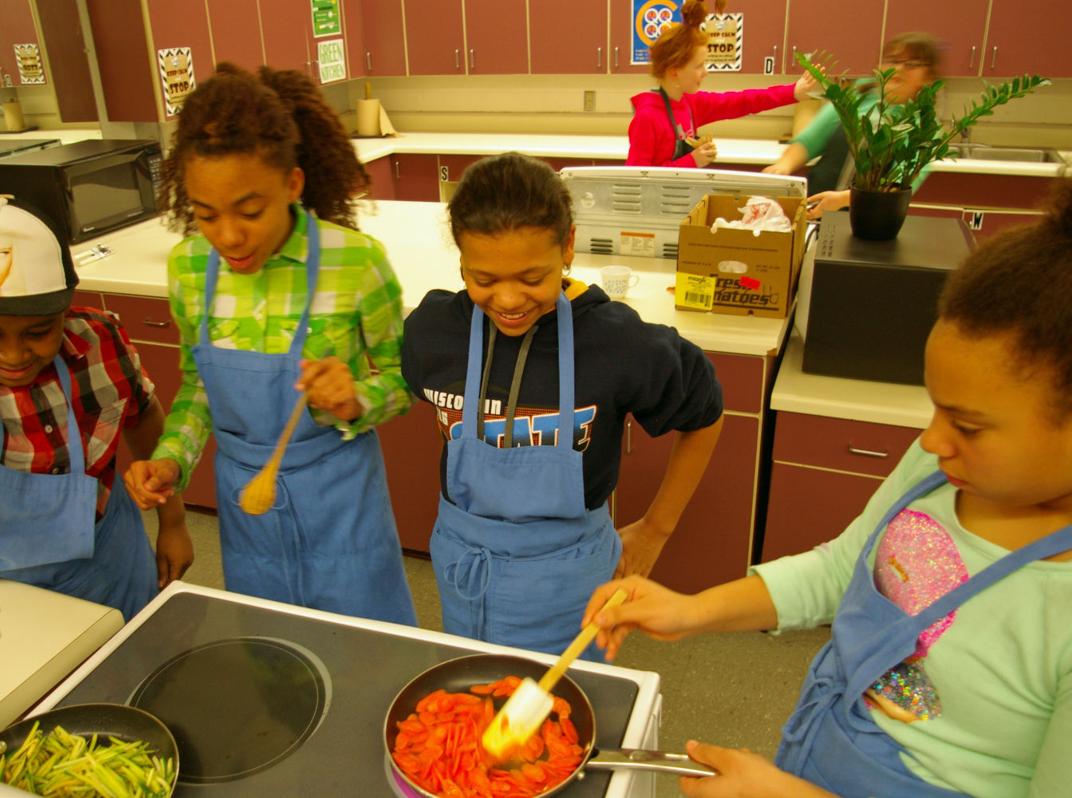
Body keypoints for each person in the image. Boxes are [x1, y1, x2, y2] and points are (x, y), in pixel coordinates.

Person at [583, 182, 1072, 796]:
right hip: (819, 751)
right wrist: (690, 611)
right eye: (936, 409)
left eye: (968, 425)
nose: (931, 440)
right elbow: (843, 570)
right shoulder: (938, 473)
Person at [122, 64, 416, 626]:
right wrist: (169, 460)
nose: (229, 236)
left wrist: (356, 399)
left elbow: (404, 381)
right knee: (273, 652)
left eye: (250, 211)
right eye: (206, 215)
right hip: (246, 506)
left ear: (293, 185)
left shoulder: (355, 261)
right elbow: (199, 391)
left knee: (369, 651)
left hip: (342, 503)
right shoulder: (189, 269)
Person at [401, 152, 724, 658]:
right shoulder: (435, 332)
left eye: (532, 278)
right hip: (462, 563)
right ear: (461, 261)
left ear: (568, 245)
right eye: (483, 279)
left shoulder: (619, 343)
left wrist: (657, 529)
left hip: (570, 575)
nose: (508, 299)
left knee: (563, 710)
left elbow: (704, 412)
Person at [0, 197, 192, 638]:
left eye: (39, 331)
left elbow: (142, 419)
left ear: (65, 309)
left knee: (137, 657)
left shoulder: (98, 340)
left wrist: (173, 521)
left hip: (110, 560)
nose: (14, 353)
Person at [764, 32, 942, 219]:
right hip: (813, 210)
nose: (899, 68)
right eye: (893, 60)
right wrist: (783, 166)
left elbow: (898, 186)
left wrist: (842, 199)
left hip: (871, 222)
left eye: (912, 64)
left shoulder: (925, 129)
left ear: (928, 77)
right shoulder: (853, 98)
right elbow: (809, 142)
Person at [626, 0, 817, 168]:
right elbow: (636, 179)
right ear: (674, 71)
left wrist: (793, 92)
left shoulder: (691, 103)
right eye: (699, 66)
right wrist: (692, 160)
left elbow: (742, 101)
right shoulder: (648, 117)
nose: (706, 72)